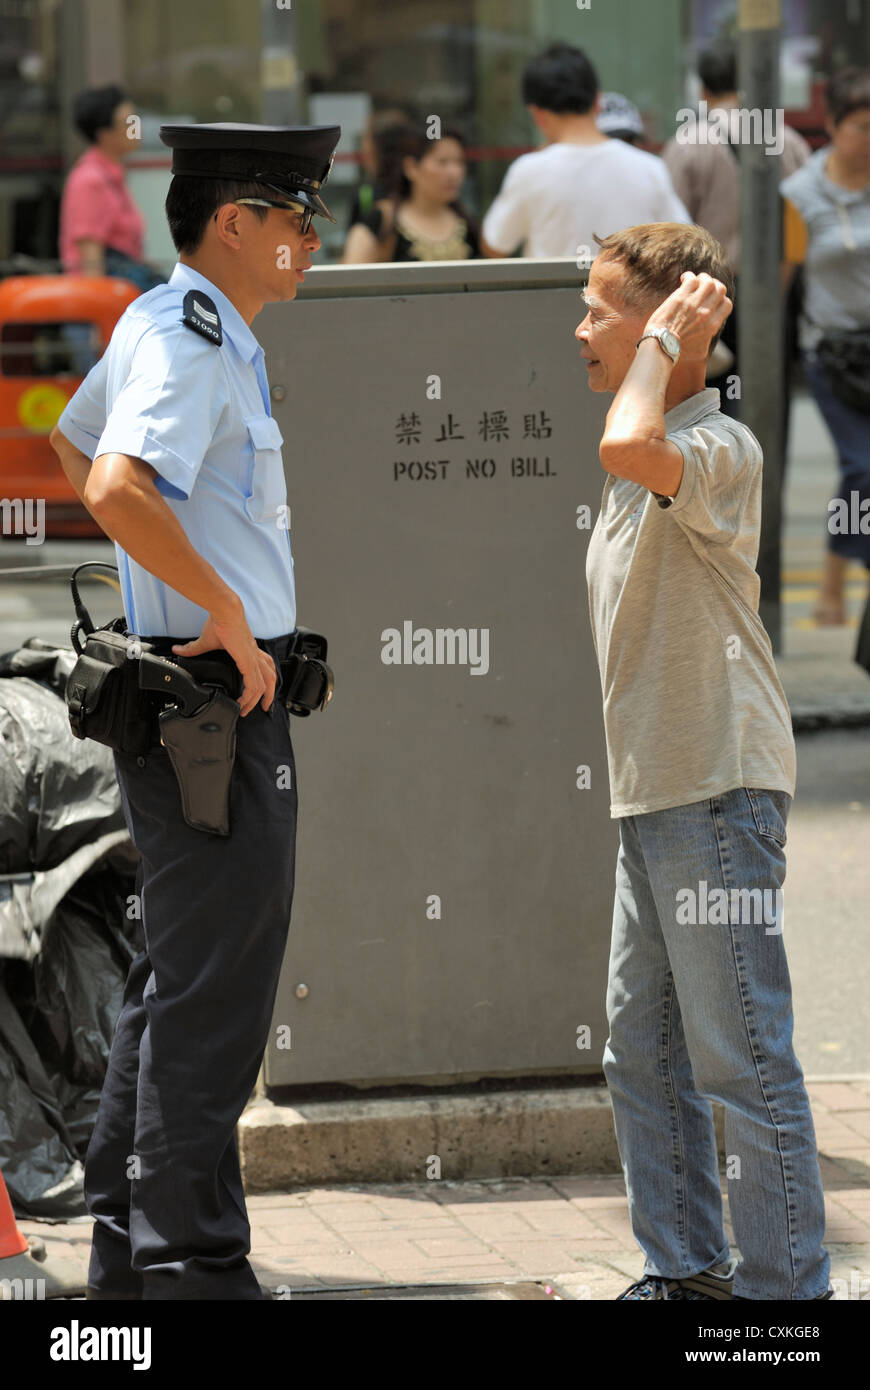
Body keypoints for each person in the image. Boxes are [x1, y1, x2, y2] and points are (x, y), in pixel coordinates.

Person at [48, 120, 341, 1300]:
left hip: (197, 694)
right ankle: (194, 1267)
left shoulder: (191, 329)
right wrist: (208, 609)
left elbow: (77, 443)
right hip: (209, 703)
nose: (313, 238)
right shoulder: (187, 333)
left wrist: (159, 595)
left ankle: (134, 1249)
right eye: (298, 215)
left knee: (178, 974)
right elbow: (115, 480)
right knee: (215, 989)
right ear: (237, 223)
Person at [578, 221, 832, 1301]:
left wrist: (661, 349)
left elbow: (628, 443)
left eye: (601, 309)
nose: (580, 327)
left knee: (742, 1058)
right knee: (641, 1050)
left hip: (717, 790)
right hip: (656, 792)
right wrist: (649, 352)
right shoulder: (651, 446)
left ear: (671, 327)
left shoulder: (717, 448)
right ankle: (685, 1271)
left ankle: (788, 1297)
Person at [662, 39, 810, 422]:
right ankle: (769, 480)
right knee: (768, 404)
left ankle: (720, 482)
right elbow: (801, 221)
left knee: (709, 408)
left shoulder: (687, 143)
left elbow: (671, 232)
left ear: (703, 89)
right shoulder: (787, 140)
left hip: (705, 294)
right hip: (776, 289)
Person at [781, 66, 870, 629]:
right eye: (862, 126)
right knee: (863, 468)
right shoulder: (798, 195)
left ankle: (837, 585)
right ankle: (835, 585)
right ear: (833, 126)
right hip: (830, 355)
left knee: (864, 476)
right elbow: (784, 280)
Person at [480, 44, 689, 261]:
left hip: (551, 296)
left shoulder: (528, 171)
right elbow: (683, 242)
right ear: (598, 102)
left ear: (537, 114)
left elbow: (495, 246)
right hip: (630, 294)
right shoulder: (650, 168)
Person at [59, 84, 164, 292]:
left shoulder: (112, 176)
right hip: (100, 312)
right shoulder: (90, 181)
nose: (137, 128)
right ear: (104, 134)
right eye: (128, 123)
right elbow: (91, 267)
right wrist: (98, 322)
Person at [342, 123, 480, 263]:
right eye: (442, 162)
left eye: (459, 162)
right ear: (411, 167)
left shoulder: (467, 225)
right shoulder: (383, 222)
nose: (454, 173)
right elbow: (348, 279)